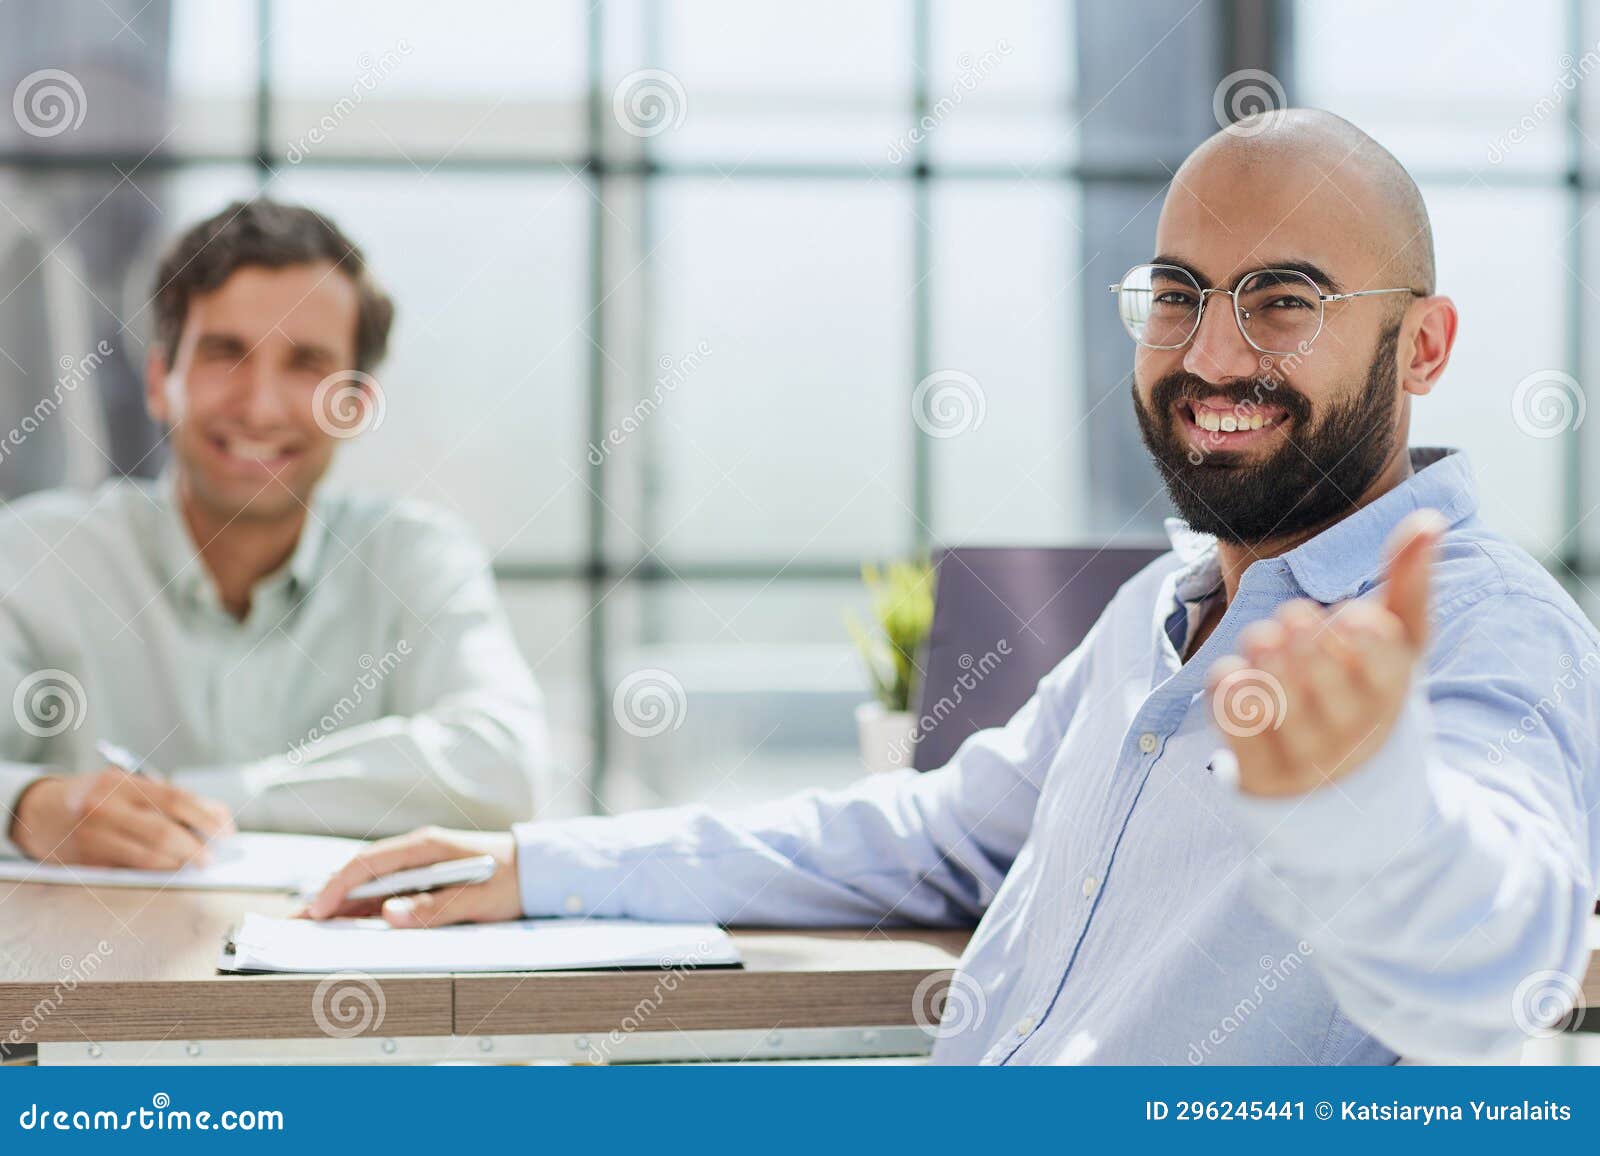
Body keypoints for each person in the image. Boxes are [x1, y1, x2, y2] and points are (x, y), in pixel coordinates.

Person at [309, 111, 1600, 1065]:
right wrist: (547, 864)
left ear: (1420, 343)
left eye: (1283, 301)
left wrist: (1368, 800)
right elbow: (936, 839)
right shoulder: (1156, 610)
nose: (1212, 353)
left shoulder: (1488, 635)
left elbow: (1494, 965)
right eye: (1178, 295)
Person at [1, 200, 553, 868]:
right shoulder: (35, 557)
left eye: (306, 364)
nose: (260, 406)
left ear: (356, 404)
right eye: (225, 353)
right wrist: (27, 806)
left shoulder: (415, 559)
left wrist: (201, 801)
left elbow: (504, 767)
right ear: (158, 381)